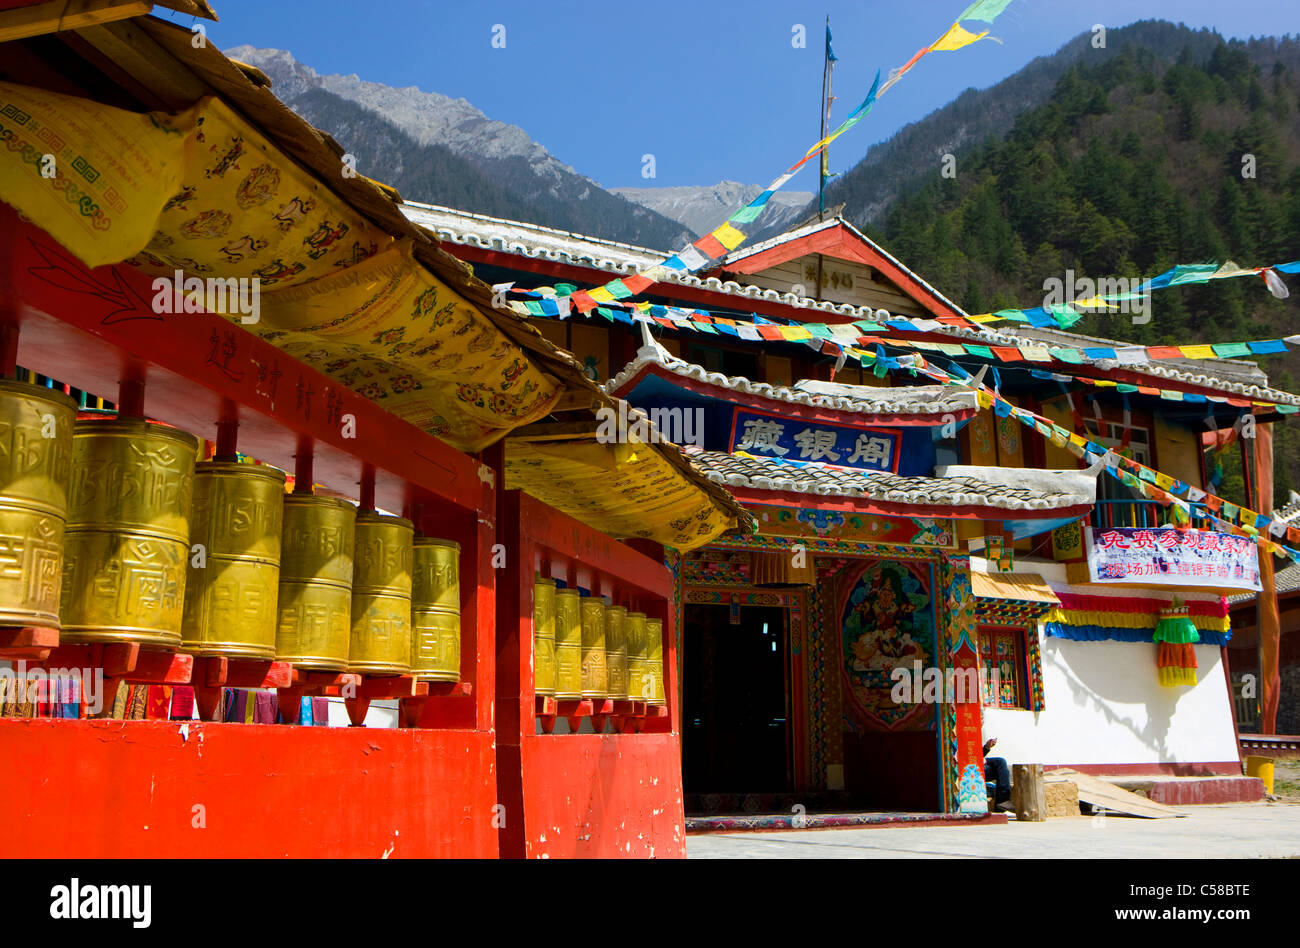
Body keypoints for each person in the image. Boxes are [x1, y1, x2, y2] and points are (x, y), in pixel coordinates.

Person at [983, 737, 1013, 810]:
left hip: (975, 761)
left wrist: (987, 747)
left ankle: (1002, 801)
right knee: (1000, 768)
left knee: (1001, 763)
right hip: (966, 766)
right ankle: (1002, 801)